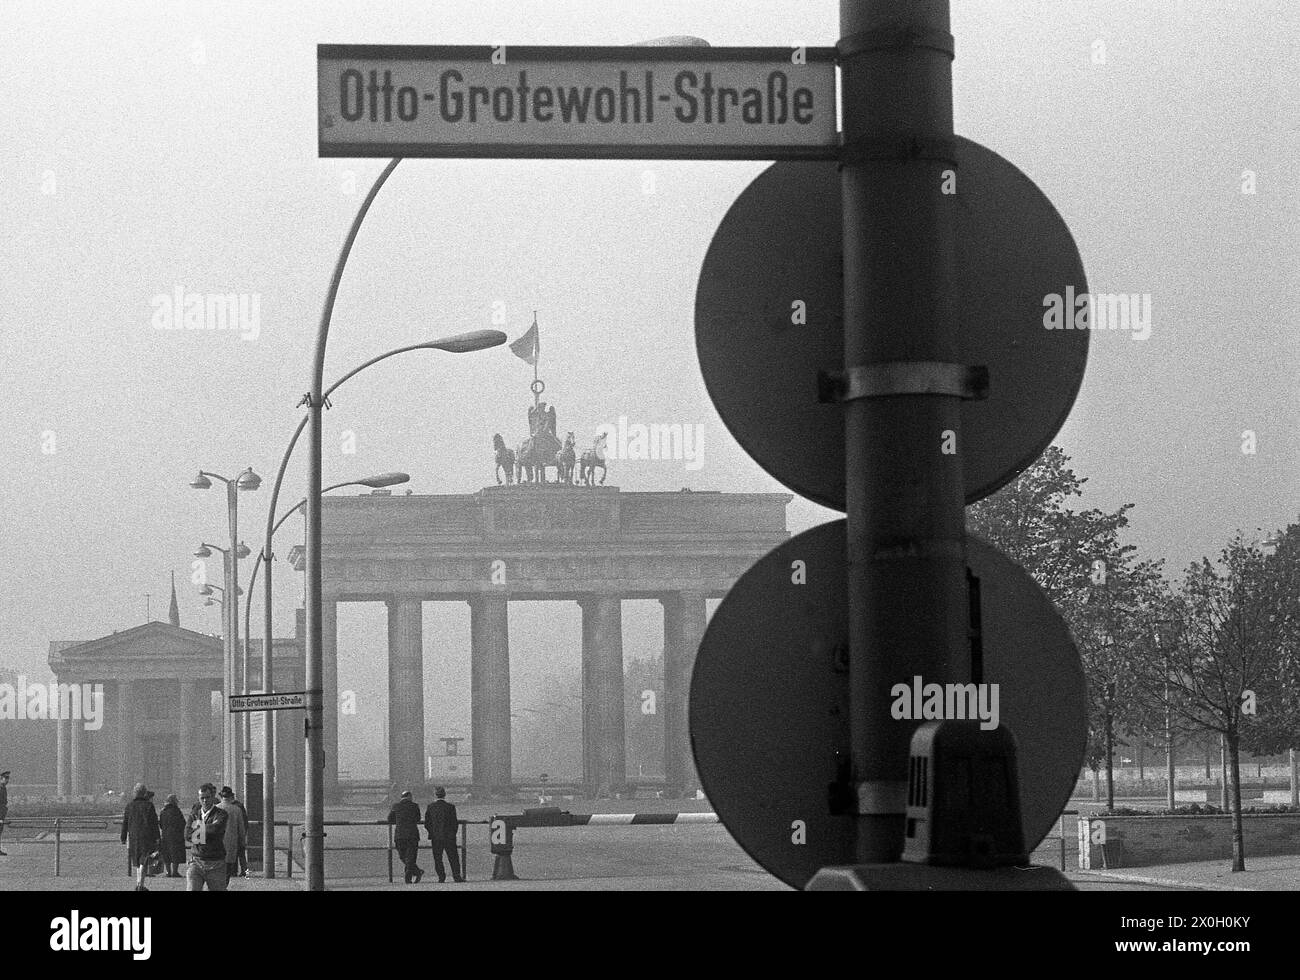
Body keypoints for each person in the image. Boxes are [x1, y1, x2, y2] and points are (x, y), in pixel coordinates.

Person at [186, 783, 229, 891]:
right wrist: (208, 830)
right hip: (196, 861)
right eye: (202, 798)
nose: (205, 800)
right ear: (199, 799)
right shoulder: (194, 815)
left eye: (207, 797)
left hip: (216, 863)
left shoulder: (221, 814)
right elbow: (187, 835)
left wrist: (197, 830)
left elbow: (217, 830)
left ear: (213, 797)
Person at [120, 782, 160, 892]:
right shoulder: (149, 805)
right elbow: (154, 823)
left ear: (135, 793)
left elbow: (125, 823)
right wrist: (157, 837)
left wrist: (123, 837)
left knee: (137, 861)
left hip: (134, 837)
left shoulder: (129, 806)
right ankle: (140, 885)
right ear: (144, 794)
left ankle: (138, 883)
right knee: (144, 860)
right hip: (146, 836)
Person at [423, 786, 464, 883]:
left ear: (435, 795)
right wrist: (453, 833)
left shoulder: (430, 807)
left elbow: (427, 823)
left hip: (436, 836)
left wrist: (432, 832)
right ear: (444, 795)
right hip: (449, 836)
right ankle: (456, 876)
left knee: (438, 858)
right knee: (453, 857)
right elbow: (454, 823)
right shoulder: (450, 807)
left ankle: (441, 877)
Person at [387, 790, 423, 884]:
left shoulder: (396, 806)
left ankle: (413, 874)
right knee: (411, 857)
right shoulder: (415, 806)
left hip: (399, 835)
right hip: (412, 835)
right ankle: (414, 874)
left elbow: (389, 819)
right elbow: (418, 818)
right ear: (410, 796)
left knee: (402, 856)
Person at [217, 787, 248, 884]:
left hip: (217, 842)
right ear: (231, 797)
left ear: (221, 796)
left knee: (218, 867)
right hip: (232, 841)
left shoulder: (216, 808)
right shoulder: (236, 809)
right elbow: (241, 828)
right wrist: (243, 841)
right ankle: (224, 886)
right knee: (228, 867)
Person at [158, 793, 188, 877]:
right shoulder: (177, 811)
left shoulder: (163, 811)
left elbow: (160, 824)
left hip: (165, 836)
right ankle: (175, 871)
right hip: (176, 836)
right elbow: (183, 823)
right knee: (176, 854)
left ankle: (168, 872)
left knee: (166, 854)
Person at [0, 770, 10, 856]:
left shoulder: (3, 788)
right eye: (6, 778)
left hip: (2, 814)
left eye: (8, 778)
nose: (7, 780)